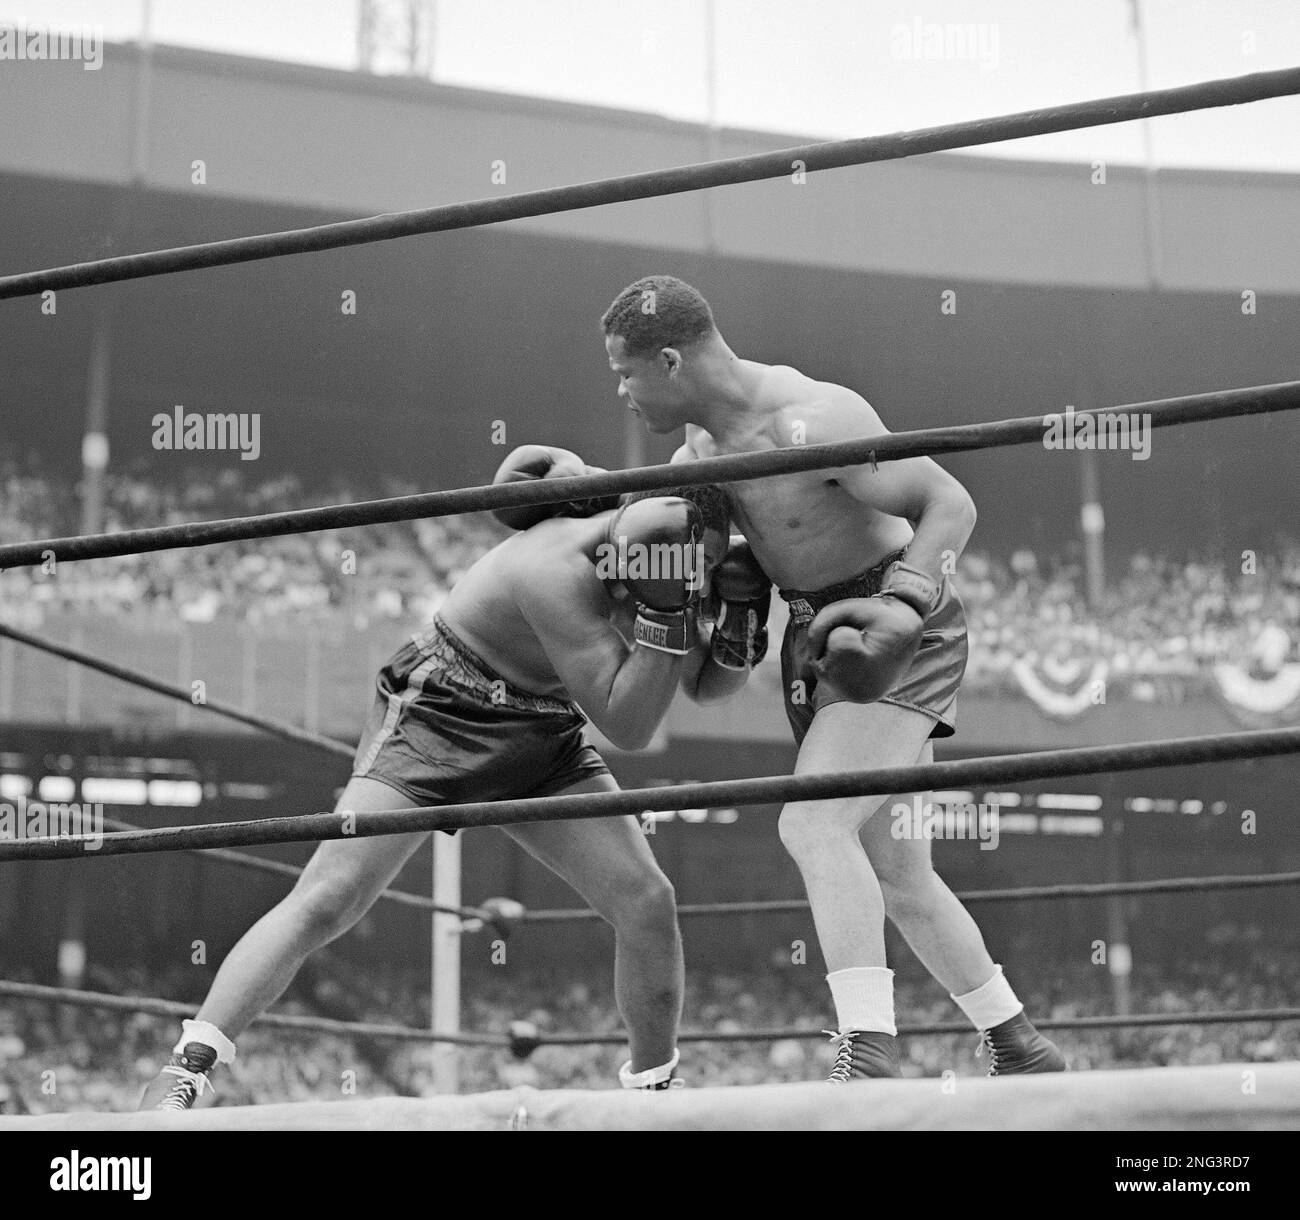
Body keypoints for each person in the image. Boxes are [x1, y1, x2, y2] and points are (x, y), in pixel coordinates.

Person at [139, 447, 736, 1109]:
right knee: (330, 898)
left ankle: (654, 1090)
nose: (700, 577)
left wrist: (735, 626)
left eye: (706, 564)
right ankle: (184, 1072)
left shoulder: (667, 554)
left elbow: (708, 684)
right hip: (441, 711)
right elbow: (630, 726)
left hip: (541, 733)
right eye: (695, 566)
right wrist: (668, 613)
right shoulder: (553, 571)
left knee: (647, 901)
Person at [600, 275, 1067, 1081]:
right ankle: (1020, 1047)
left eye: (627, 372)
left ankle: (868, 1051)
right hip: (814, 637)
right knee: (901, 874)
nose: (621, 391)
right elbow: (706, 662)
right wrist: (679, 594)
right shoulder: (696, 464)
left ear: (671, 360)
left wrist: (904, 604)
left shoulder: (813, 418)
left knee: (812, 824)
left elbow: (949, 503)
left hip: (899, 621)